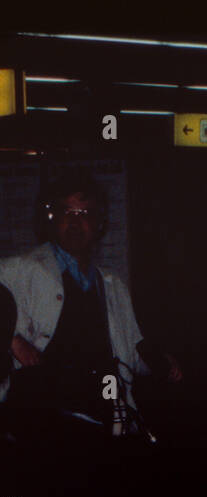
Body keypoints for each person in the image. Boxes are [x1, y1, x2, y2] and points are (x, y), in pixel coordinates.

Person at [0, 171, 180, 433]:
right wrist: (13, 339)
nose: (75, 223)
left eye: (85, 214)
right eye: (68, 213)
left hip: (100, 425)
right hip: (38, 425)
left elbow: (129, 352)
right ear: (52, 218)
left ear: (99, 223)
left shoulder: (112, 284)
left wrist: (162, 363)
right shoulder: (21, 270)